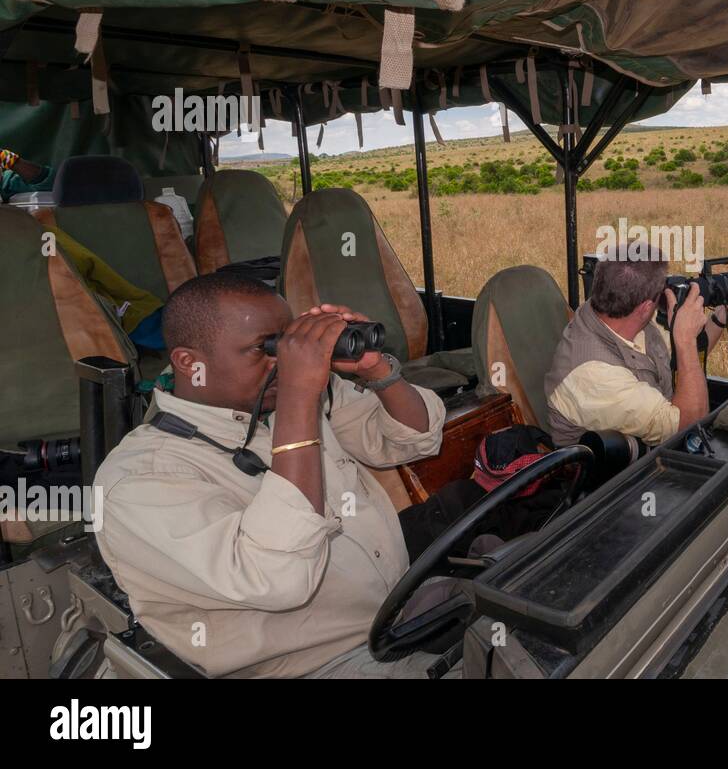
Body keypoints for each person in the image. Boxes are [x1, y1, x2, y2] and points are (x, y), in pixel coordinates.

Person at [95, 273, 457, 678]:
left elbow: (414, 439)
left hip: (392, 613)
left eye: (287, 344)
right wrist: (298, 397)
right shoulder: (138, 482)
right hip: (313, 665)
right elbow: (279, 578)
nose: (283, 363)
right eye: (263, 349)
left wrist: (377, 372)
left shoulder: (289, 400)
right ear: (188, 361)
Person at [545, 246, 728, 448]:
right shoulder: (593, 375)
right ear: (646, 307)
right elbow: (689, 423)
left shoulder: (617, 313)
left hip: (647, 449)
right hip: (608, 483)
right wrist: (684, 339)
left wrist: (723, 314)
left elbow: (685, 360)